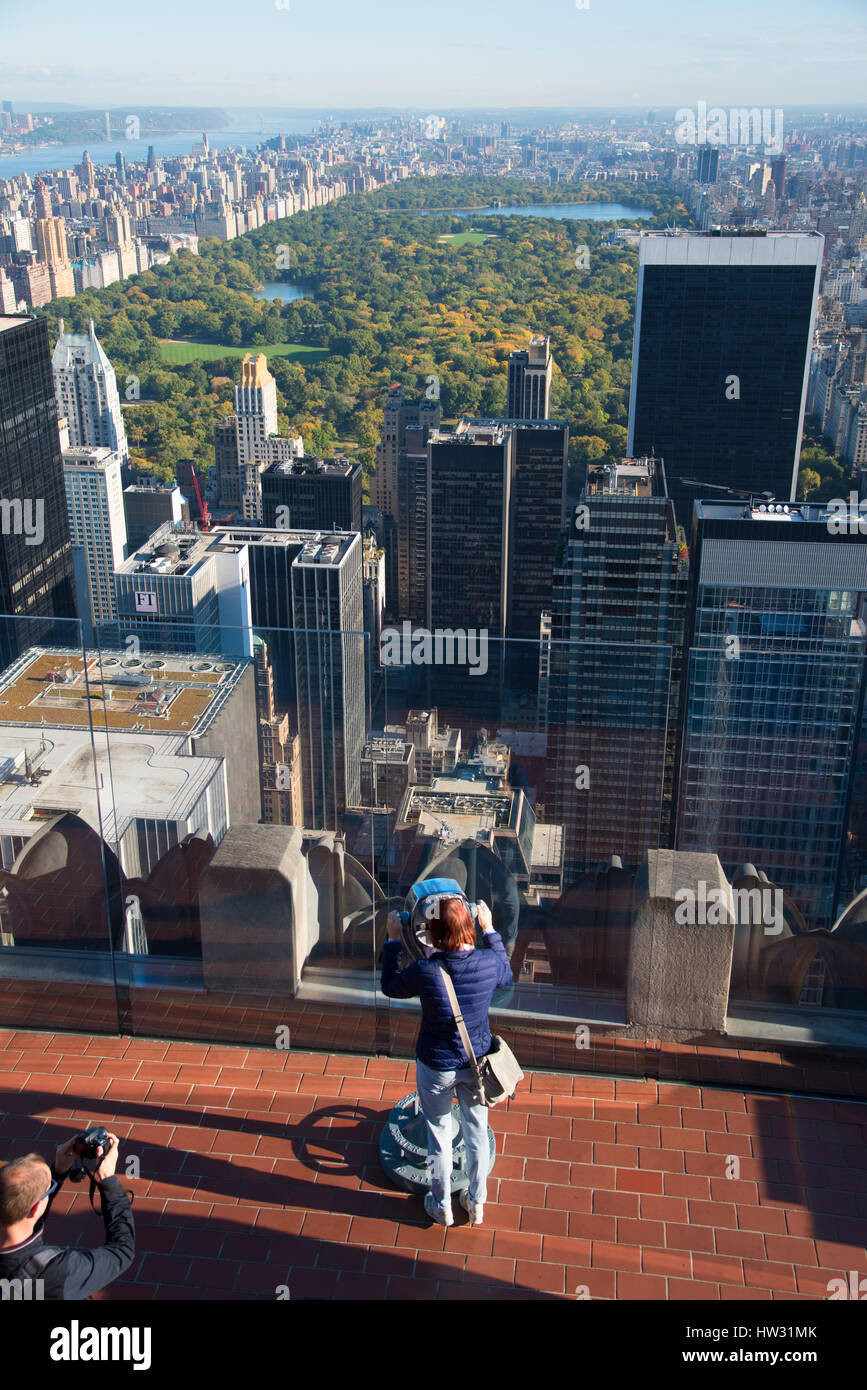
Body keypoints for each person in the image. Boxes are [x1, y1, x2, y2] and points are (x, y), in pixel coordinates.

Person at [381, 895, 513, 1227]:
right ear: (471, 927)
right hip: (476, 1062)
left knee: (438, 1133)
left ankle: (441, 1206)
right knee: (476, 1131)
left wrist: (394, 939)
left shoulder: (426, 971)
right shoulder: (487, 963)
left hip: (436, 1064)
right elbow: (506, 974)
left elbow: (390, 987)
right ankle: (477, 1201)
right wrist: (491, 930)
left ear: (435, 936)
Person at [0, 1131, 135, 1300]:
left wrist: (58, 1171)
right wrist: (108, 1180)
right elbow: (121, 1252)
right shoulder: (59, 1270)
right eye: (49, 1189)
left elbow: (21, 1210)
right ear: (35, 1209)